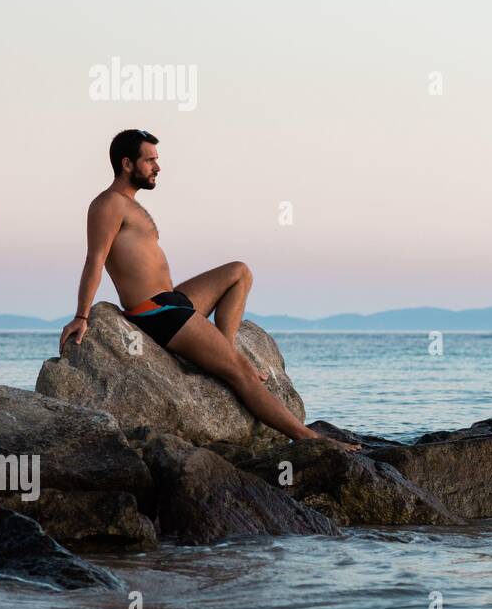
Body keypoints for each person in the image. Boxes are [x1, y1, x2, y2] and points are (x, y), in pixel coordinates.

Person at [59, 129, 358, 450]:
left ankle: (226, 346)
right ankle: (310, 439)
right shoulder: (108, 204)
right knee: (240, 373)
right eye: (150, 161)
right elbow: (95, 259)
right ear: (127, 163)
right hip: (155, 311)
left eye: (157, 160)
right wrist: (81, 314)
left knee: (239, 272)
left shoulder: (130, 204)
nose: (157, 168)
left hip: (173, 300)